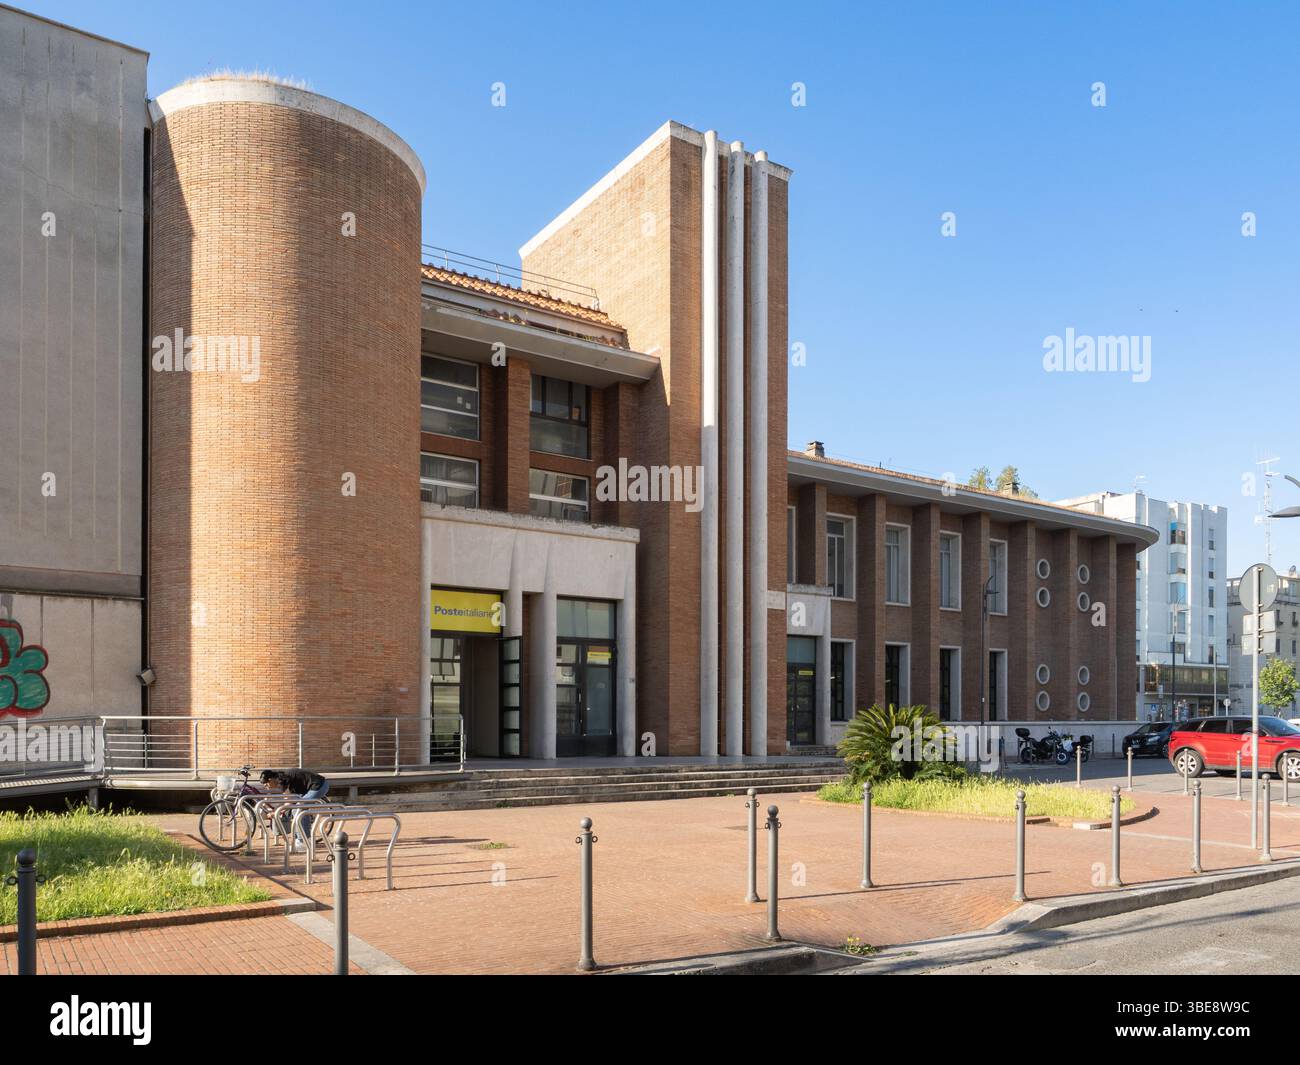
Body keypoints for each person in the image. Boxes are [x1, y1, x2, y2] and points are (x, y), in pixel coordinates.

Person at [260, 768, 329, 851]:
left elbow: (288, 803)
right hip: (312, 786)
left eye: (266, 785)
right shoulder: (282, 778)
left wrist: (277, 813)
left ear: (270, 780)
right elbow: (289, 800)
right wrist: (278, 810)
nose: (268, 788)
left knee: (299, 809)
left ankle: (302, 842)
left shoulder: (282, 780)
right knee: (296, 809)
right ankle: (305, 839)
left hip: (319, 786)